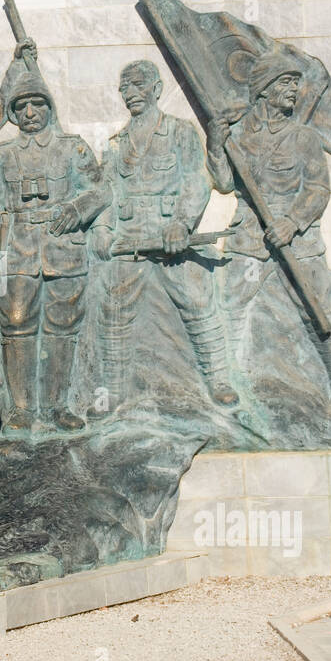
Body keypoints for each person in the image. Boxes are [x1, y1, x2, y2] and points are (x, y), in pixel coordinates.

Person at [206, 50, 331, 411]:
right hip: (250, 236)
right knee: (230, 306)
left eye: (296, 82)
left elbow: (318, 189)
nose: (294, 89)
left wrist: (292, 222)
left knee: (318, 309)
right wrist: (215, 145)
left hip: (298, 239)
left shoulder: (304, 138)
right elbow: (224, 183)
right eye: (286, 82)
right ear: (263, 89)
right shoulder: (238, 136)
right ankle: (225, 380)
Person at [96, 60, 238, 409]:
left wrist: (181, 223)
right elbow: (104, 192)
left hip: (172, 241)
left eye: (137, 84)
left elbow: (196, 181)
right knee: (114, 311)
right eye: (124, 87)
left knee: (198, 304)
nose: (130, 92)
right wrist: (102, 229)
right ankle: (112, 392)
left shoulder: (180, 132)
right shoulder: (116, 144)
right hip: (129, 242)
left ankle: (219, 379)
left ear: (157, 89)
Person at [0, 75, 104, 431]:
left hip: (63, 247)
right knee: (17, 323)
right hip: (17, 248)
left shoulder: (73, 148)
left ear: (50, 108)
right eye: (20, 107)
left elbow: (99, 190)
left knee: (62, 327)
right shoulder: (0, 156)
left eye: (37, 104)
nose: (30, 112)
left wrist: (78, 209)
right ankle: (21, 409)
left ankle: (55, 407)